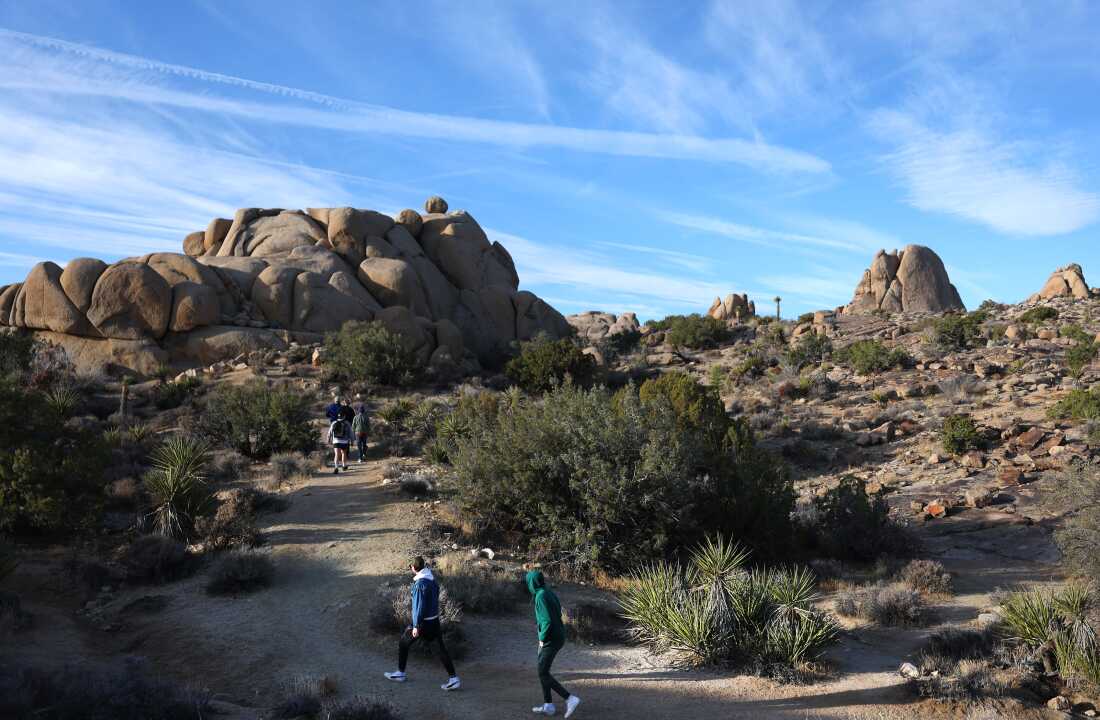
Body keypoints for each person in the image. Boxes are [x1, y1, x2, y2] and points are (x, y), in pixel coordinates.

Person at [384, 556, 461, 691]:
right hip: (434, 621)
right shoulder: (432, 580)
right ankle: (453, 678)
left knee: (404, 643)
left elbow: (418, 607)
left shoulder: (419, 584)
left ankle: (400, 673)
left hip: (424, 624)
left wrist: (416, 626)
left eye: (411, 567)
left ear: (414, 568)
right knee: (441, 649)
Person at [527, 570, 580, 717]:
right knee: (542, 669)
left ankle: (570, 699)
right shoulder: (547, 592)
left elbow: (547, 621)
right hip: (557, 635)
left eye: (528, 582)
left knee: (542, 672)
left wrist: (542, 638)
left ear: (532, 583)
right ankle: (548, 705)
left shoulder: (541, 596)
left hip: (551, 638)